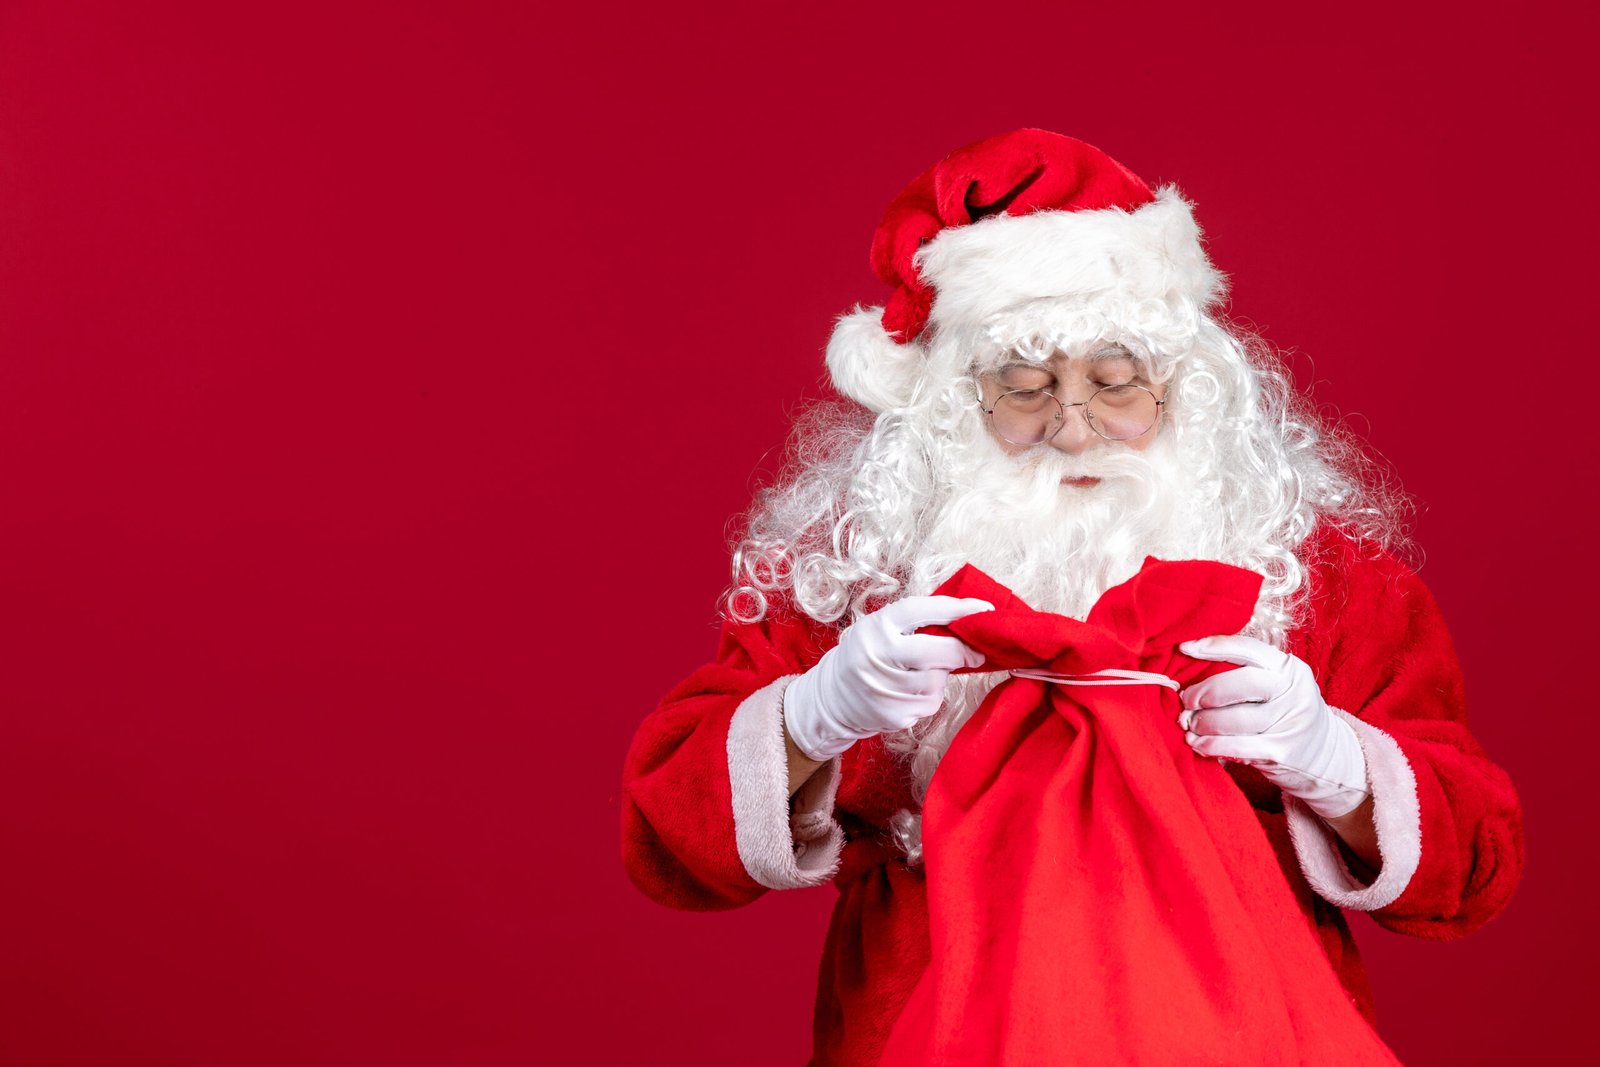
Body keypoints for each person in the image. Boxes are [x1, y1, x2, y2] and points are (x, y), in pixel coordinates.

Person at [620, 130, 1523, 1065]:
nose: (1078, 429)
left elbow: (1479, 862)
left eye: (1117, 383)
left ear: (1186, 386)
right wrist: (811, 716)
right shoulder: (860, 570)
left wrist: (1342, 768)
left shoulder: (1312, 568)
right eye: (1026, 389)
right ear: (953, 406)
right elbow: (664, 836)